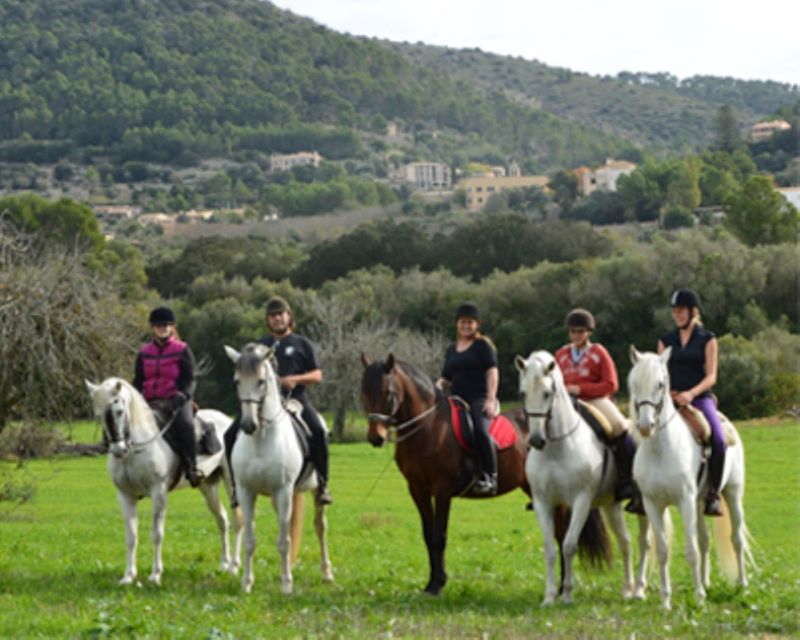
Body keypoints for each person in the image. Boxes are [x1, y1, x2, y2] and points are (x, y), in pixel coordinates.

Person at [224, 296, 332, 505]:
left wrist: (296, 379)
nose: (277, 319)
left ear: (289, 317)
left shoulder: (302, 344)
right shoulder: (259, 346)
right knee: (229, 434)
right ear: (268, 320)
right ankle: (237, 487)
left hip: (296, 400)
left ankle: (323, 483)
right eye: (272, 316)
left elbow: (318, 375)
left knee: (318, 431)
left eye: (280, 315)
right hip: (261, 403)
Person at [555, 308, 643, 514]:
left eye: (580, 331)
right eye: (573, 331)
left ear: (588, 332)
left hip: (595, 400)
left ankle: (627, 480)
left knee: (620, 427)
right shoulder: (560, 355)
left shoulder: (599, 353)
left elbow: (611, 384)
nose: (576, 335)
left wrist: (581, 389)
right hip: (567, 404)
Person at [658, 288, 725, 517]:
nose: (677, 315)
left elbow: (711, 376)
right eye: (674, 311)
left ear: (692, 312)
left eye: (681, 311)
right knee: (639, 434)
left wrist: (690, 394)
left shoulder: (707, 339)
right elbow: (660, 373)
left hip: (699, 398)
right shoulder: (665, 340)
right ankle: (638, 491)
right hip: (669, 398)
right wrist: (668, 394)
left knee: (717, 439)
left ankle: (713, 494)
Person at [133, 306, 203, 487]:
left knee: (186, 425)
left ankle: (192, 467)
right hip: (150, 401)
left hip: (177, 401)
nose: (162, 328)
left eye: (166, 325)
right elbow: (138, 381)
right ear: (152, 328)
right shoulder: (144, 352)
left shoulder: (182, 349)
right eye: (158, 325)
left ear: (172, 327)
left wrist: (183, 396)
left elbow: (191, 379)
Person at [436, 302, 499, 496]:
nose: (466, 326)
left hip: (478, 398)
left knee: (480, 430)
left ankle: (491, 476)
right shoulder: (452, 349)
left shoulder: (482, 346)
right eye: (462, 322)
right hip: (455, 400)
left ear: (477, 325)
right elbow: (445, 378)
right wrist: (434, 389)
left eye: (470, 322)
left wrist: (490, 399)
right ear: (457, 324)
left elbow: (492, 372)